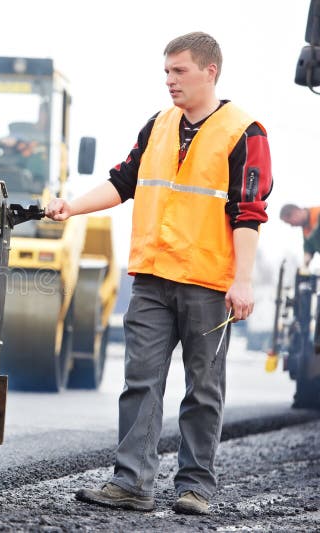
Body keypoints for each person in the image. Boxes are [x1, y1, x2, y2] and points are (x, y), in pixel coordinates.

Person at [45, 32, 273, 515]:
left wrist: (244, 280)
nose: (169, 81)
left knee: (203, 390)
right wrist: (73, 208)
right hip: (151, 278)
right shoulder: (159, 125)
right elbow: (123, 181)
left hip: (209, 285)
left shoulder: (245, 131)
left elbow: (249, 212)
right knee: (140, 382)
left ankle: (195, 488)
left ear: (210, 71)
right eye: (166, 71)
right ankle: (132, 483)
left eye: (179, 71)